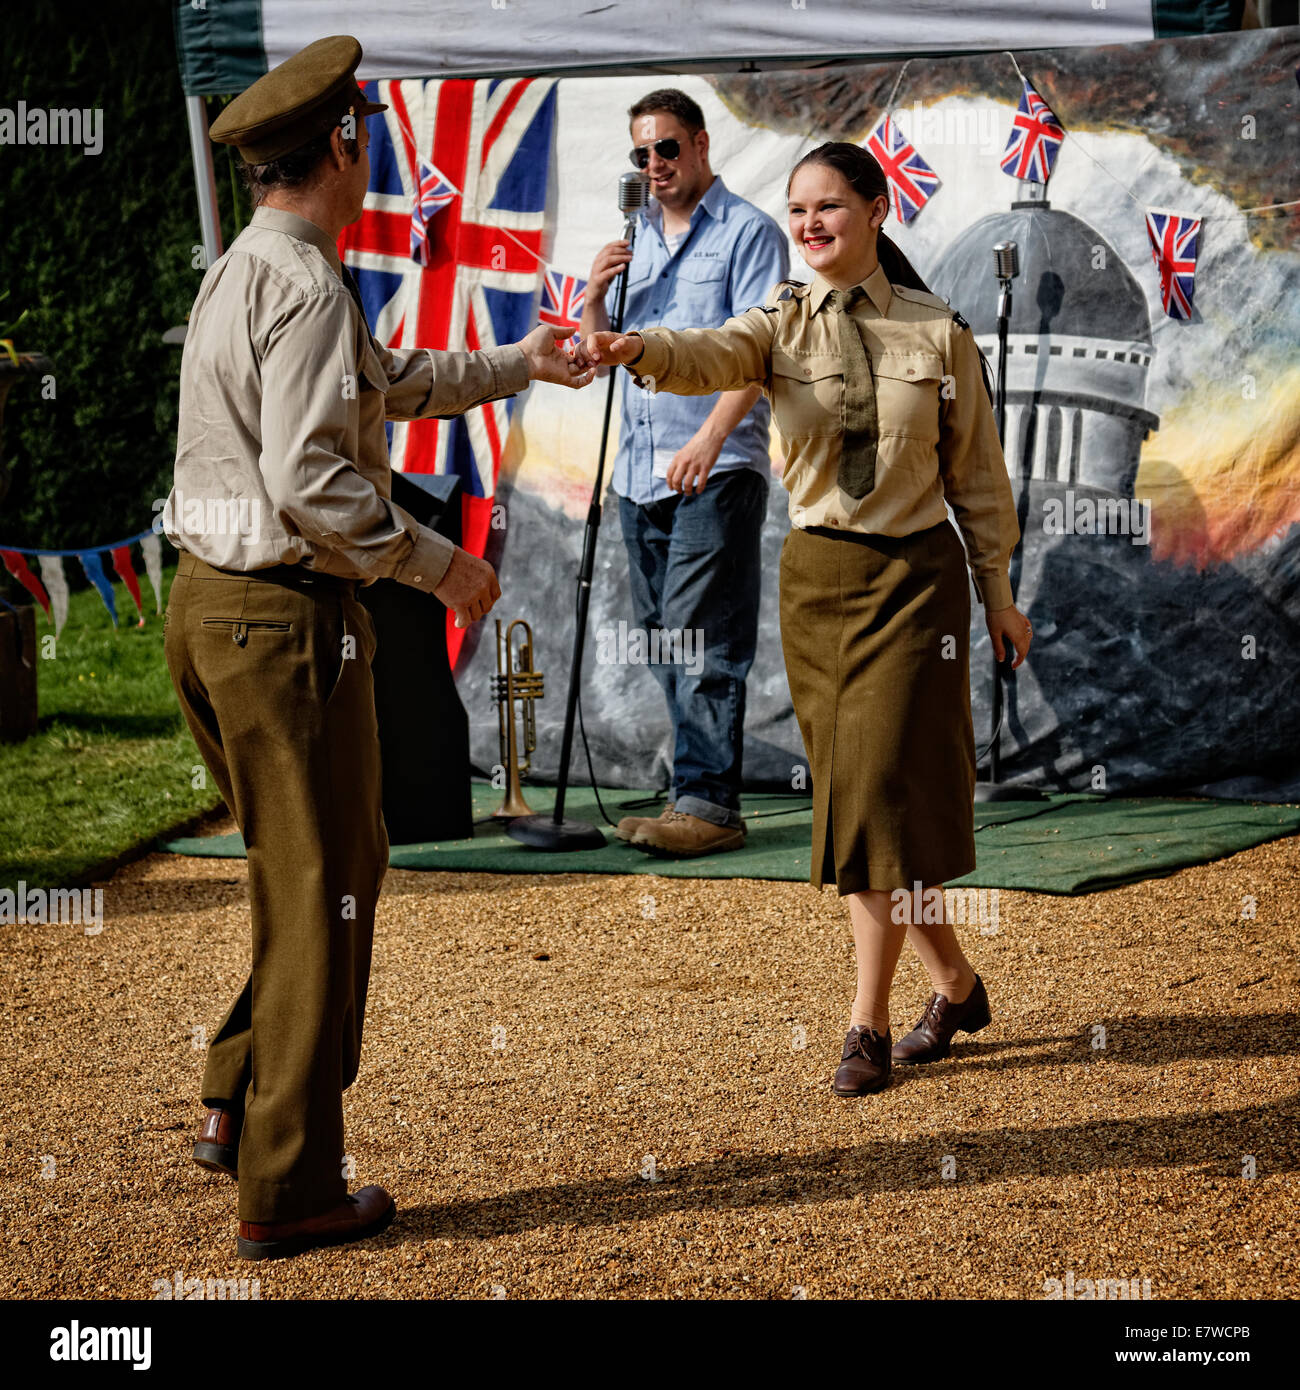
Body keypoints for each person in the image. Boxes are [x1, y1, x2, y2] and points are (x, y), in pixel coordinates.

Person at [166, 35, 592, 1260]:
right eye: (368, 140)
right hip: (278, 621)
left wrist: (518, 360)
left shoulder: (254, 265)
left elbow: (381, 380)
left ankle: (237, 1097)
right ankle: (289, 1187)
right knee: (324, 889)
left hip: (213, 610)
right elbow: (313, 477)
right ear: (345, 145)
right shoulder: (302, 280)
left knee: (297, 875)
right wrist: (438, 564)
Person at [581, 142, 1032, 1098]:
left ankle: (865, 1025)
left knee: (870, 797)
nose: (810, 224)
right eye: (796, 211)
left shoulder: (941, 331)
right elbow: (709, 352)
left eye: (829, 207)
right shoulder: (780, 323)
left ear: (876, 211)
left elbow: (980, 484)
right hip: (818, 580)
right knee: (872, 808)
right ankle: (954, 983)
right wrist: (636, 348)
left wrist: (999, 597)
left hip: (918, 584)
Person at [576, 89, 788, 858]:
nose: (655, 165)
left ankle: (708, 802)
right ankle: (691, 795)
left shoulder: (748, 233)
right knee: (664, 637)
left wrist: (708, 437)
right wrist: (595, 298)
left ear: (701, 145)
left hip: (715, 466)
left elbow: (760, 352)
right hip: (637, 474)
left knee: (702, 632)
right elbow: (597, 358)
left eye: (667, 148)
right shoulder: (631, 238)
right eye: (642, 154)